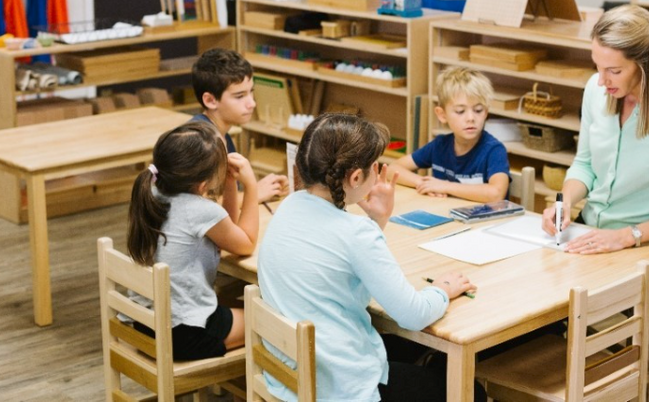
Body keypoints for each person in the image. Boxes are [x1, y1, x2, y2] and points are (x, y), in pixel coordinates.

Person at [257, 113, 484, 402]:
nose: (378, 173)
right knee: (469, 391)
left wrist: (378, 219)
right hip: (339, 388)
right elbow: (413, 315)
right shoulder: (356, 233)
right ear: (355, 177)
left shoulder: (288, 206)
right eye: (374, 167)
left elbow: (344, 268)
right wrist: (442, 289)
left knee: (415, 353)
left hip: (289, 376)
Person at [542, 4, 649, 253]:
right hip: (589, 231)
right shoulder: (595, 90)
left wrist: (625, 237)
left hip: (644, 245)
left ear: (645, 65)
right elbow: (585, 164)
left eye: (614, 71)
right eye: (597, 67)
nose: (601, 80)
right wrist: (565, 202)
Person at [126, 121, 259, 360]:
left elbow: (226, 230)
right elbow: (246, 243)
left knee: (242, 308)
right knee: (270, 324)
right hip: (184, 334)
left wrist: (229, 184)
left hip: (147, 325)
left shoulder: (153, 192)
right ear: (203, 185)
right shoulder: (199, 211)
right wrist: (250, 186)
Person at [390, 66, 509, 202]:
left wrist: (445, 186)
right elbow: (393, 169)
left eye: (478, 110)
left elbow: (496, 194)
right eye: (460, 111)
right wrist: (423, 183)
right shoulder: (439, 145)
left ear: (486, 113)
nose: (471, 118)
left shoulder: (494, 150)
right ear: (442, 115)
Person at [191, 48, 288, 203]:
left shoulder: (223, 135)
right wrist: (253, 193)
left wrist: (263, 188)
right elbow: (201, 206)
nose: (252, 103)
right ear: (210, 100)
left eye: (251, 92)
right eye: (240, 96)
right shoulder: (200, 143)